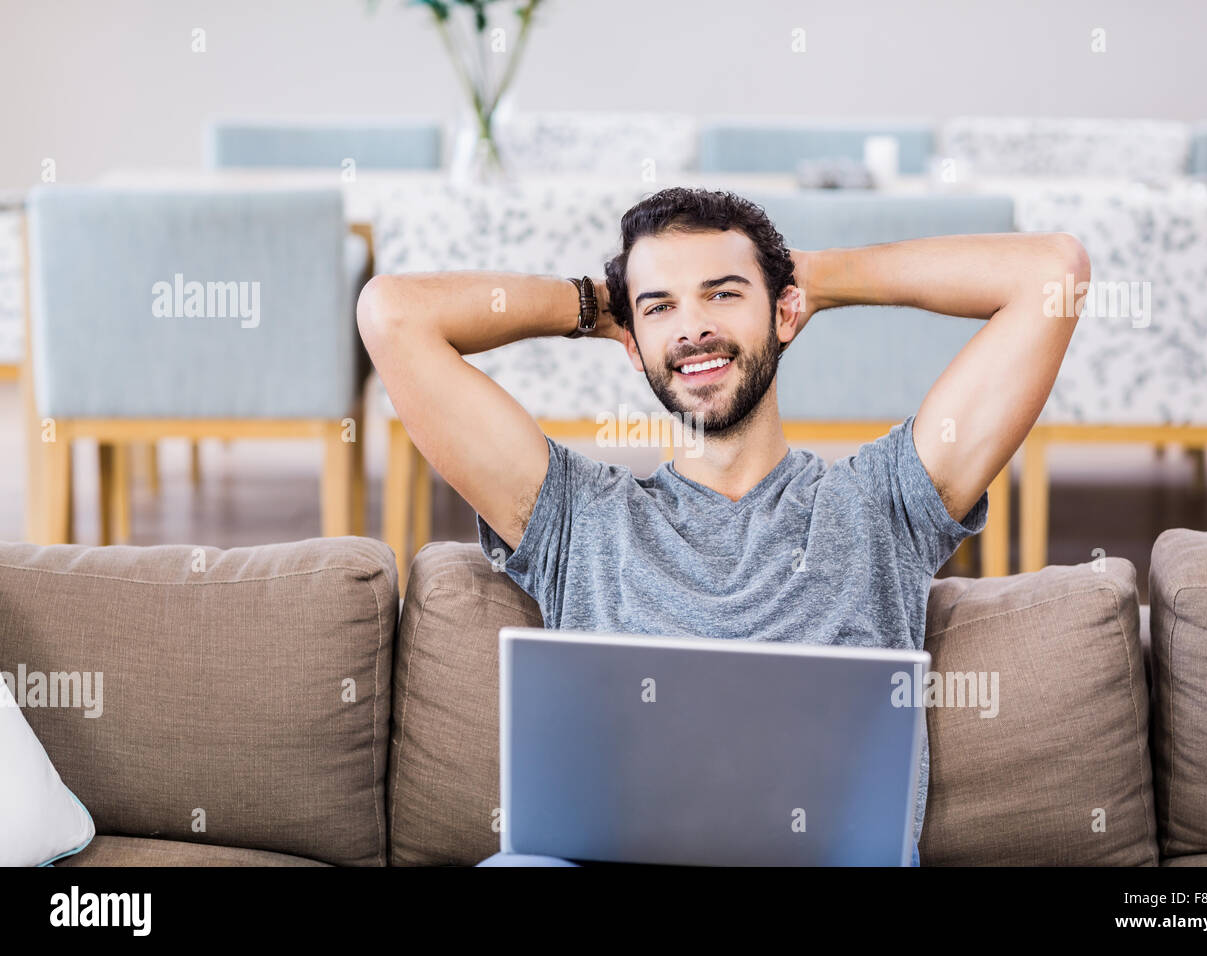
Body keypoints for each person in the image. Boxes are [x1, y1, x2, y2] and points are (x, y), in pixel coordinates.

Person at [358, 187, 1088, 868]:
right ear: (632, 342)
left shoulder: (881, 504)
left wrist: (815, 277)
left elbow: (1050, 274)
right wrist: (591, 303)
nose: (693, 327)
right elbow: (392, 316)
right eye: (660, 308)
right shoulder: (578, 518)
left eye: (723, 294)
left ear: (784, 313)